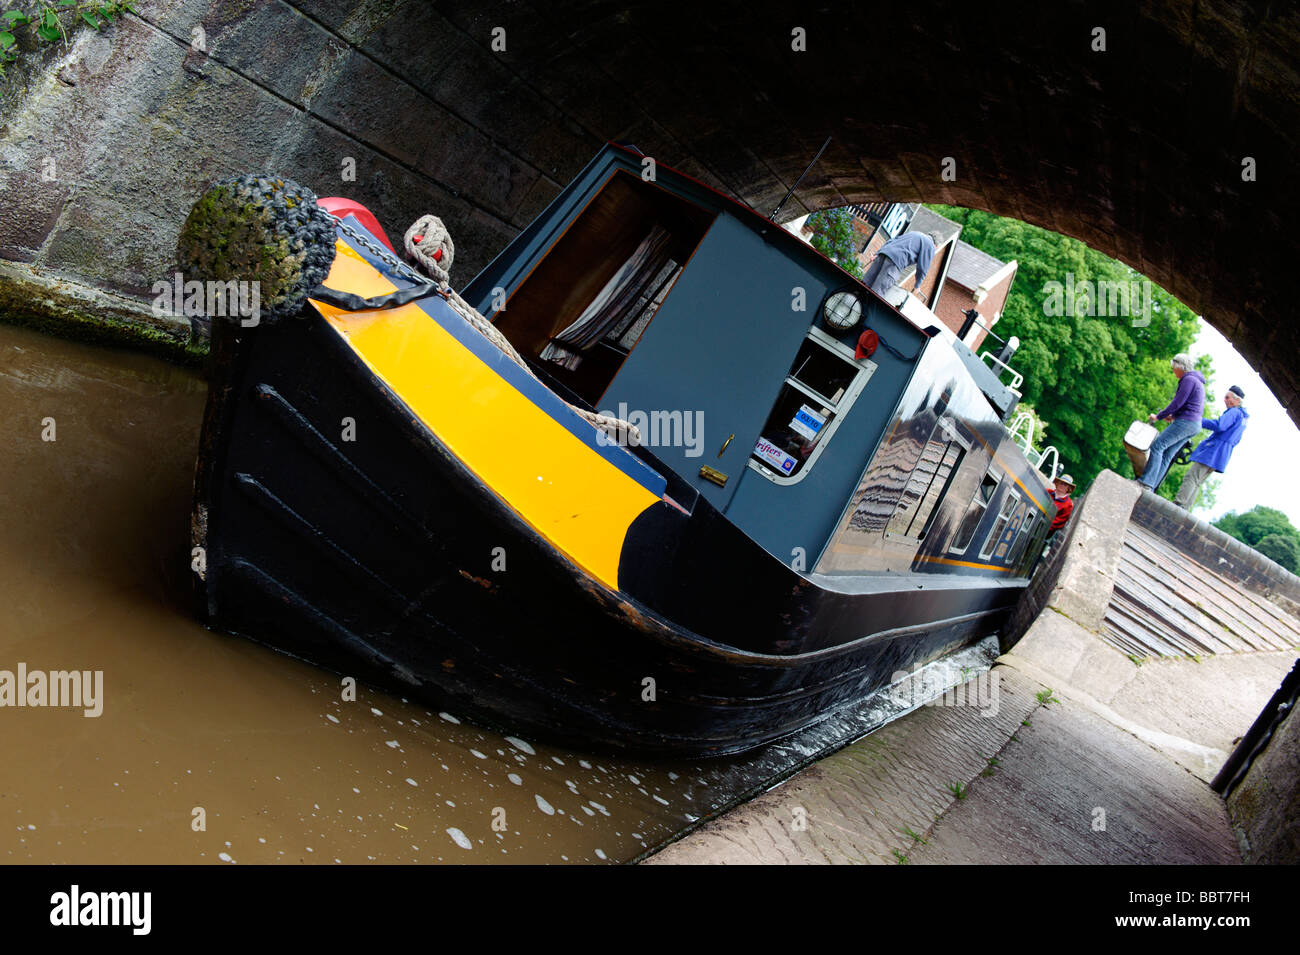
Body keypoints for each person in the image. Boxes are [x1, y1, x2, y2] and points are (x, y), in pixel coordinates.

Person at [1138, 353, 1206, 492]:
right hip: (1194, 424)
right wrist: (1173, 416)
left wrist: (1158, 416)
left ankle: (1146, 482)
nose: (1173, 371)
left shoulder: (1188, 380)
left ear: (1181, 367)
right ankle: (1150, 488)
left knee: (1157, 446)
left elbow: (1177, 403)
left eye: (1174, 368)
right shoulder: (1196, 381)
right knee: (1167, 454)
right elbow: (1188, 405)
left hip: (1187, 422)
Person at [1174, 385, 1248, 509]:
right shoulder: (1243, 418)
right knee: (1197, 482)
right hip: (1223, 454)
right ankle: (1184, 508)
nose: (1224, 400)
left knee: (1191, 477)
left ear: (1237, 400)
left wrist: (1197, 420)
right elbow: (1237, 440)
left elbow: (1219, 425)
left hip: (1213, 450)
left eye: (1227, 397)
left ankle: (1178, 504)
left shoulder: (1234, 412)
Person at [862, 230, 940, 298]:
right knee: (877, 292)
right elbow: (923, 268)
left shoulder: (915, 233)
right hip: (895, 262)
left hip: (884, 253)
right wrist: (917, 286)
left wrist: (877, 254)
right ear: (935, 245)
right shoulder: (930, 245)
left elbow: (892, 240)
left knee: (865, 284)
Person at [1047, 473, 1075, 545]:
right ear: (1057, 483)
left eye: (1065, 485)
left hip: (1046, 531)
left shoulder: (1068, 504)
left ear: (1068, 488)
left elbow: (1059, 522)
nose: (1062, 485)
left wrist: (1043, 524)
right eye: (1061, 483)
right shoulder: (1047, 492)